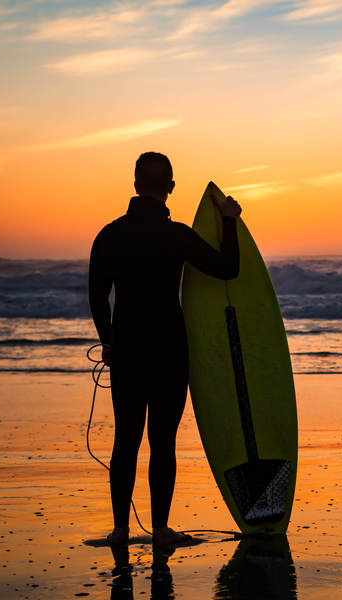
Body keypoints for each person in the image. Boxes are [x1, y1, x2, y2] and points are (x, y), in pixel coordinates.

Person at [88, 152, 241, 546]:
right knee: (163, 442)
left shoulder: (109, 235)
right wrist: (228, 219)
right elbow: (227, 268)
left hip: (127, 350)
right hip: (170, 351)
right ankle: (159, 530)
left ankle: (120, 530)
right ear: (170, 187)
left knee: (125, 440)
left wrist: (108, 340)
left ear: (135, 184)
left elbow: (97, 296)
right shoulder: (178, 236)